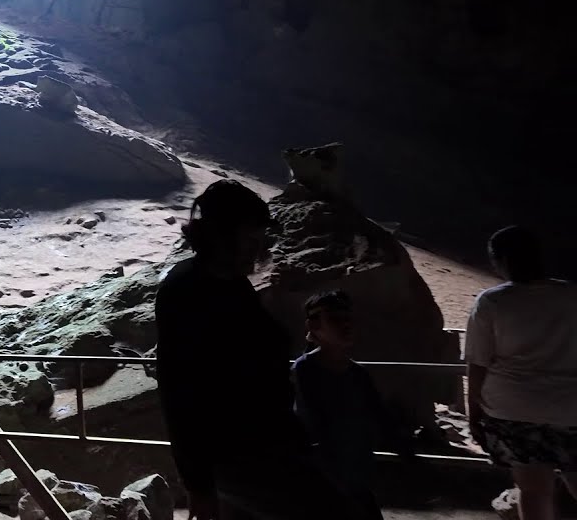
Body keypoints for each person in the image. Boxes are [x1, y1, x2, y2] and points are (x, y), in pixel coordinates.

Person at [155, 179, 365, 520]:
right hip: (238, 454)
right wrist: (198, 485)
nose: (258, 248)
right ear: (222, 235)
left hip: (266, 445)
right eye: (250, 239)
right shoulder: (187, 291)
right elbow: (178, 392)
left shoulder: (232, 282)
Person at [465, 225, 577, 520]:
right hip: (571, 408)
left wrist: (474, 412)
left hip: (514, 410)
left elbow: (477, 362)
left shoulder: (492, 301)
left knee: (534, 491)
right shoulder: (572, 295)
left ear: (498, 260)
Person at [293, 290, 413, 520]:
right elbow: (316, 424)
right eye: (335, 319)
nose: (345, 324)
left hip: (354, 474)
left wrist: (403, 448)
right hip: (322, 479)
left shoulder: (358, 374)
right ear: (313, 325)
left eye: (347, 318)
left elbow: (379, 415)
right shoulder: (304, 370)